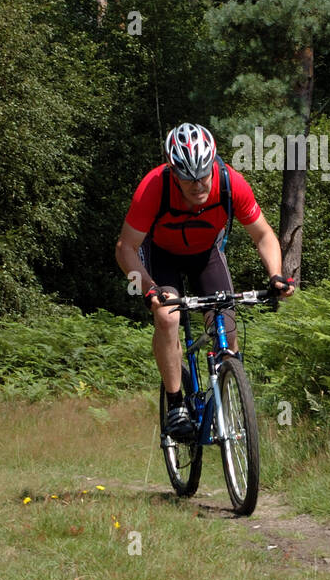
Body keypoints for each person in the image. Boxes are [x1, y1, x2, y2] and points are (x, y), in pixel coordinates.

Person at [115, 122, 295, 442]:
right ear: (173, 173)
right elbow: (125, 248)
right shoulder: (153, 188)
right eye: (188, 177)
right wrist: (149, 288)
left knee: (227, 325)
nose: (198, 185)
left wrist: (275, 276)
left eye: (203, 174)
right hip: (161, 257)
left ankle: (228, 395)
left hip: (205, 255)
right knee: (167, 317)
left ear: (213, 163)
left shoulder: (231, 184)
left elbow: (264, 235)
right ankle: (175, 404)